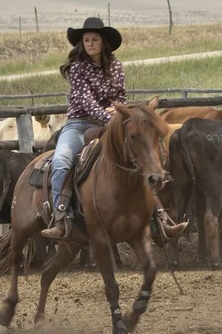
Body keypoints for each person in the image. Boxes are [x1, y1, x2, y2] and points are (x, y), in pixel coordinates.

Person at [40, 18, 184, 242]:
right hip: (79, 124)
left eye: (94, 39)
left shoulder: (116, 67)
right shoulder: (78, 68)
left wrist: (116, 113)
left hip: (111, 123)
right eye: (86, 40)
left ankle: (159, 216)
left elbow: (120, 97)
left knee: (137, 160)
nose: (89, 43)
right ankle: (61, 216)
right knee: (61, 161)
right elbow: (85, 101)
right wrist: (110, 116)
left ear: (103, 42)